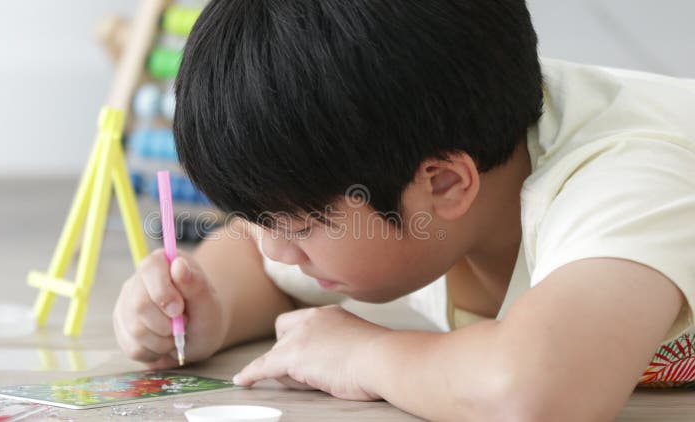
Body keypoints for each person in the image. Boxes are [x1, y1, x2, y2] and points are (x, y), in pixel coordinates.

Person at [113, 0, 695, 419]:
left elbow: (536, 395)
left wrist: (365, 355)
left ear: (444, 184)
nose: (273, 245)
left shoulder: (628, 178)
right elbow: (252, 252)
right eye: (269, 220)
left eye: (302, 225)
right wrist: (205, 301)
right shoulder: (412, 164)